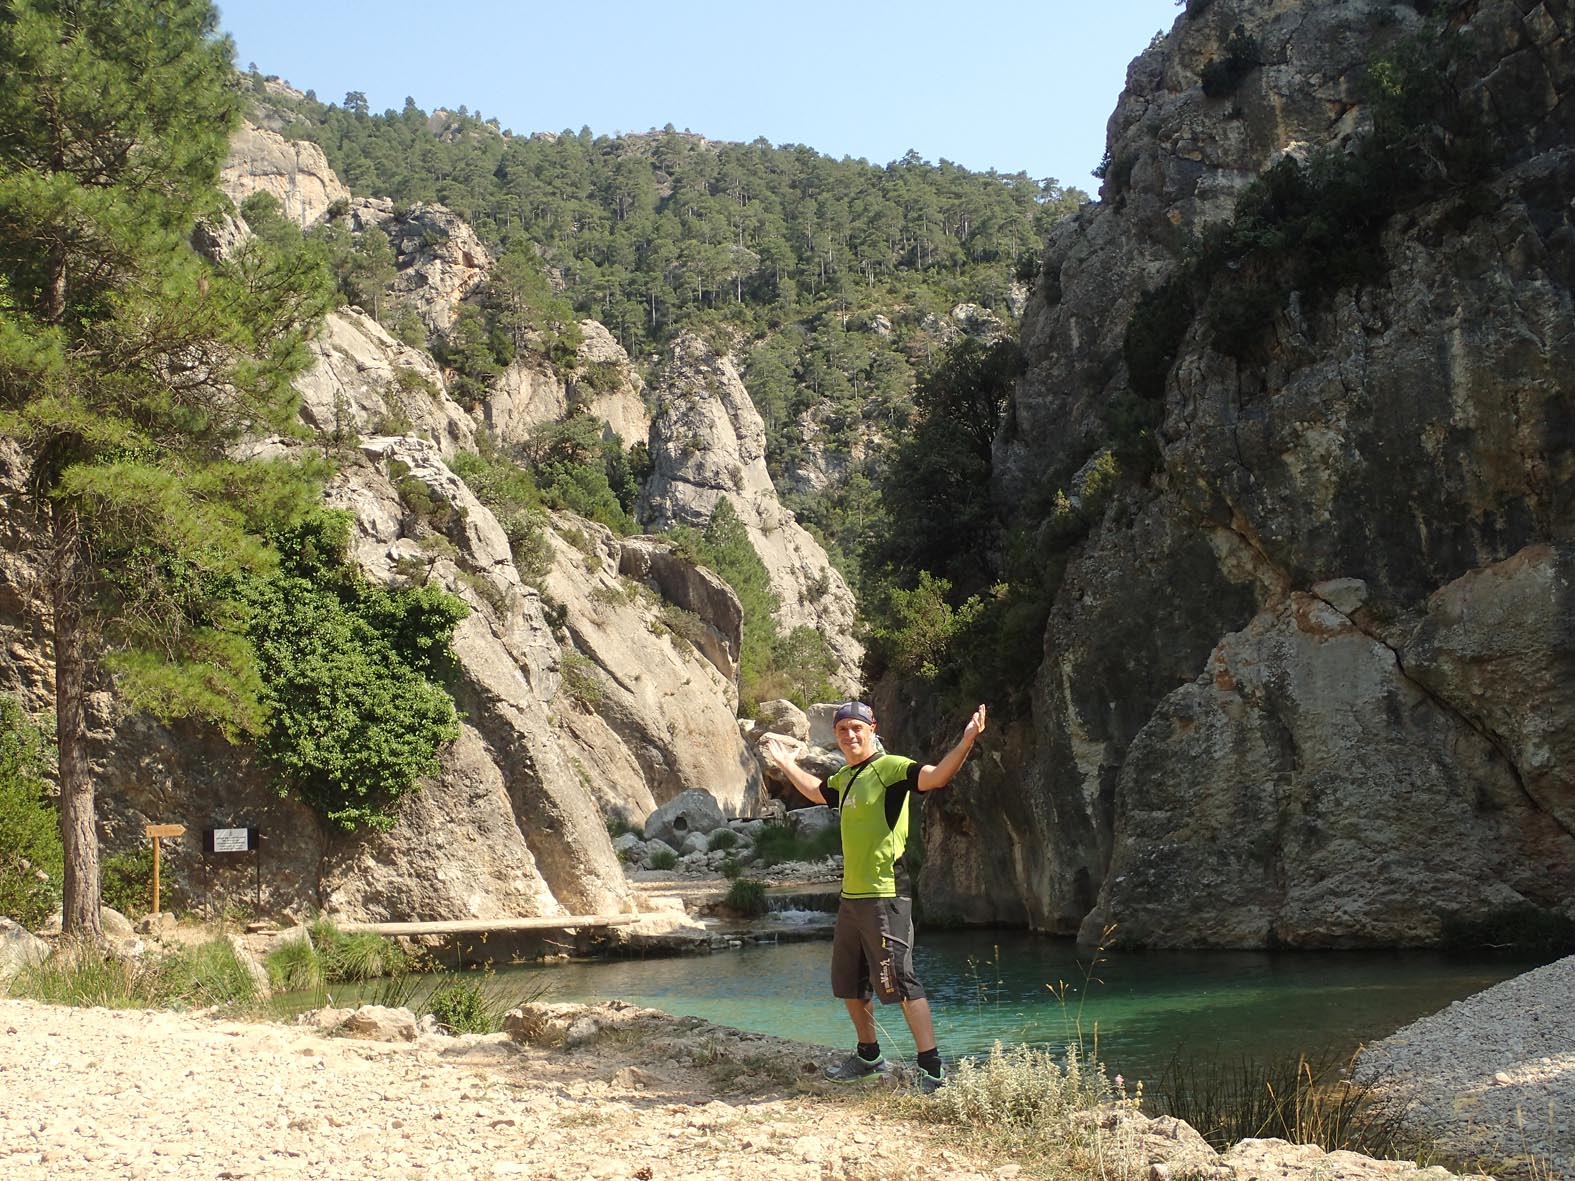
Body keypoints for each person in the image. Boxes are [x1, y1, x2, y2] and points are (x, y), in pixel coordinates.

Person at [763, 699, 987, 1093]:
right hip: (851, 898)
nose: (850, 735)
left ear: (872, 729)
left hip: (886, 896)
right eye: (842, 730)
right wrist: (785, 765)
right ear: (836, 736)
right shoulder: (846, 776)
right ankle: (868, 1056)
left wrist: (966, 741)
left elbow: (934, 778)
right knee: (849, 982)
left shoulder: (890, 768)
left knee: (901, 981)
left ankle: (933, 1070)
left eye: (856, 728)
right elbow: (818, 792)